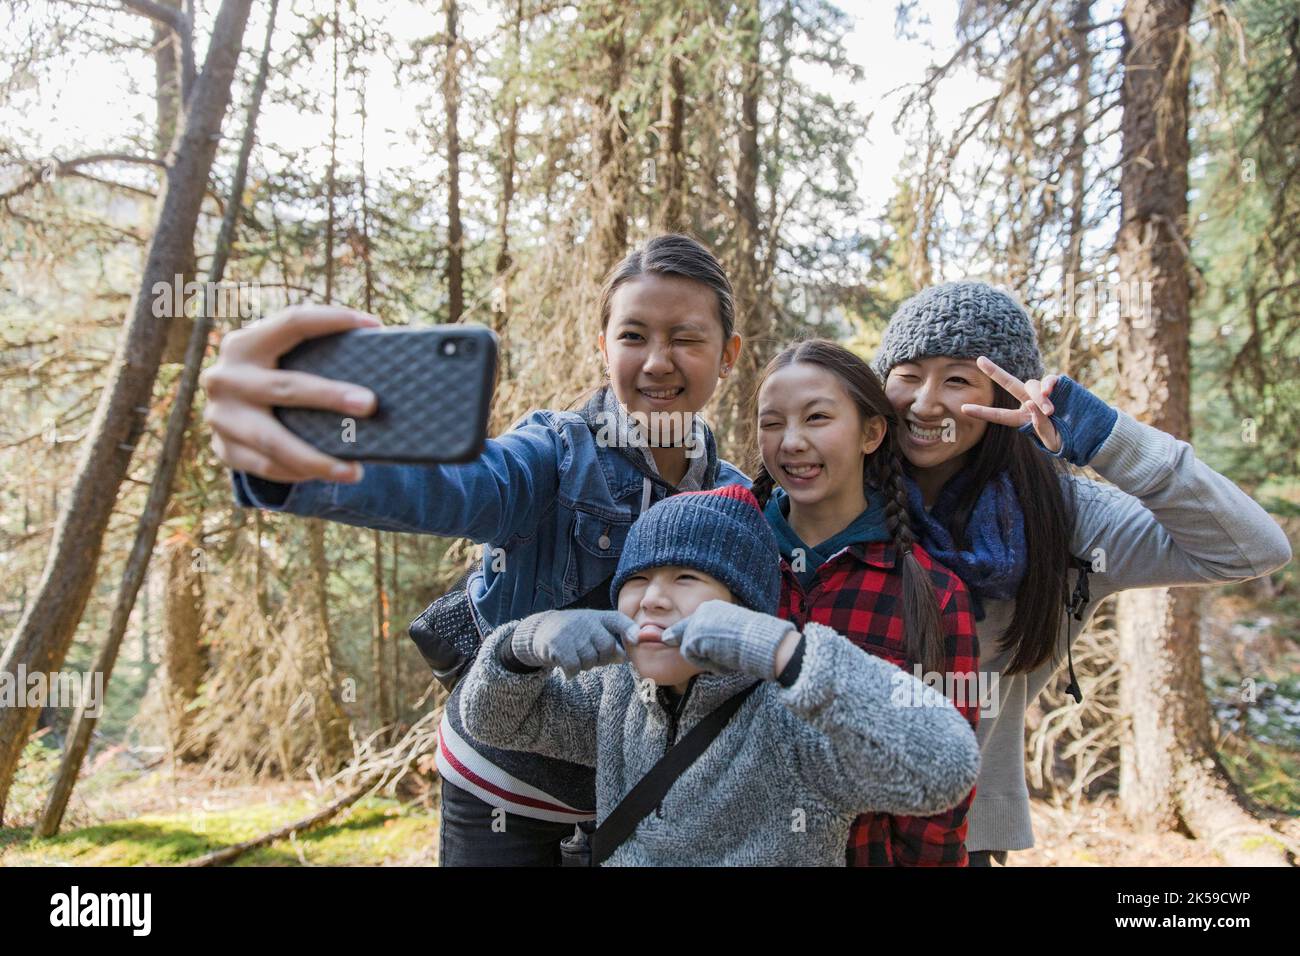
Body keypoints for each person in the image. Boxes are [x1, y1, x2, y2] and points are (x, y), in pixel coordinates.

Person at [200, 234, 749, 866]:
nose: (657, 362)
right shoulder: (556, 455)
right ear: (603, 349)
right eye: (633, 336)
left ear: (727, 354)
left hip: (629, 800)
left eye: (685, 338)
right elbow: (454, 482)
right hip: (501, 788)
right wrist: (291, 454)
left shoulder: (732, 497)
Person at [870, 280, 1293, 865]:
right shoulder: (845, 491)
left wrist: (1105, 439)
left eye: (958, 378)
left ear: (1008, 394)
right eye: (909, 374)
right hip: (820, 822)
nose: (926, 402)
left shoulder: (1065, 515)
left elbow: (1251, 549)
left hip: (965, 837)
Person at [456, 484, 982, 865]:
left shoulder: (793, 719)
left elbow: (946, 768)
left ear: (742, 606)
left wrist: (783, 651)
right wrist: (521, 646)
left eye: (687, 577)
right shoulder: (616, 694)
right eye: (637, 578)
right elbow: (495, 724)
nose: (654, 598)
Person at [751, 338, 981, 864]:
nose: (791, 442)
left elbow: (942, 798)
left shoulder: (933, 594)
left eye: (817, 418)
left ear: (872, 432)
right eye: (772, 423)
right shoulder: (725, 564)